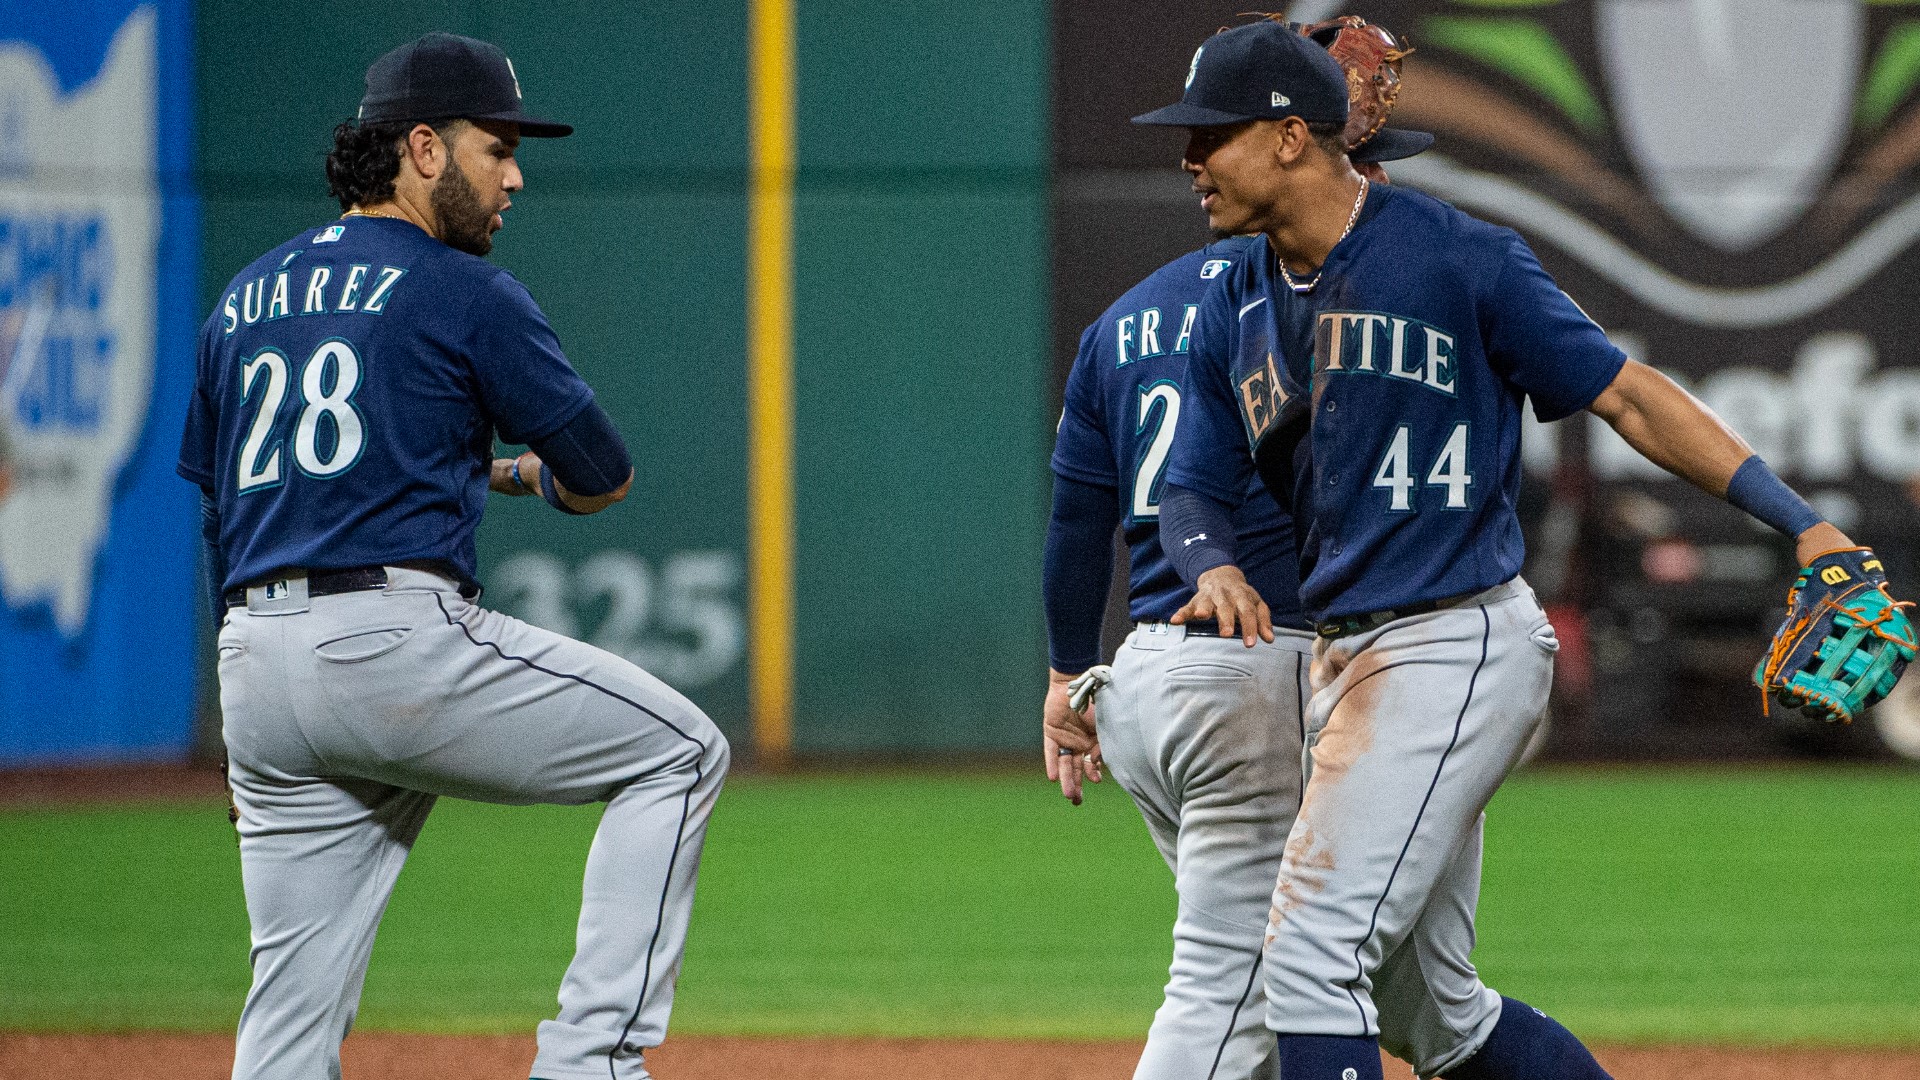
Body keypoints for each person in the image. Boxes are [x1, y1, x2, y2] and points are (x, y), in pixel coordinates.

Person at [1137, 18, 1881, 1080]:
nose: (1188, 159)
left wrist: (1803, 522)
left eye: (1210, 134)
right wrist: (1210, 560)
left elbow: (1624, 393)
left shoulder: (1458, 256)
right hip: (1343, 662)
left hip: (1454, 644)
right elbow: (1195, 480)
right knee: (1430, 1012)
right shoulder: (1237, 301)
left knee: (1307, 956)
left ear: (1290, 138)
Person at [176, 34, 728, 1080]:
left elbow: (219, 509)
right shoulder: (464, 290)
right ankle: (589, 1063)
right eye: (496, 147)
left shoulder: (240, 300)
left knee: (285, 1028)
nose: (514, 174)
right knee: (681, 752)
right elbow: (601, 473)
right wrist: (520, 475)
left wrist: (232, 706)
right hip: (389, 649)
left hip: (254, 668)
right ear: (421, 148)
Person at [1043, 28, 1433, 1080]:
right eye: (1377, 165)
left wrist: (1060, 670)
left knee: (1291, 978)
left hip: (1140, 683)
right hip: (1255, 668)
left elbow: (1080, 516)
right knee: (1235, 985)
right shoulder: (1317, 308)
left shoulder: (1124, 318)